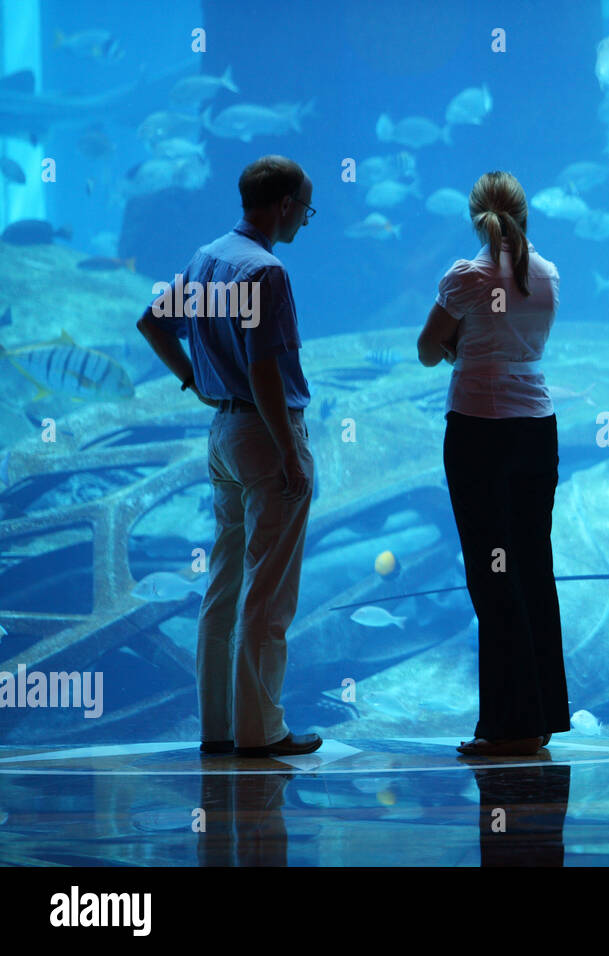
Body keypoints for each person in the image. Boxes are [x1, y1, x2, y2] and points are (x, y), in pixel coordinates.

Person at [135, 155, 322, 758]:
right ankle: (261, 731)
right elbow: (266, 369)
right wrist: (291, 452)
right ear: (285, 205)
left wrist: (196, 380)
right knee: (267, 593)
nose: (305, 223)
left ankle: (216, 727)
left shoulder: (207, 257)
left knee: (223, 586)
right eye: (306, 209)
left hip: (221, 433)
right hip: (266, 435)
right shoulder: (267, 272)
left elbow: (151, 325)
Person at [417, 170, 570, 757]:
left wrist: (460, 346)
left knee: (493, 573)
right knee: (532, 567)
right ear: (525, 214)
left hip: (481, 431)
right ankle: (542, 714)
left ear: (474, 216)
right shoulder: (548, 275)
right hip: (537, 430)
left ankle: (508, 726)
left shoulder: (466, 276)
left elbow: (428, 350)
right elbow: (525, 344)